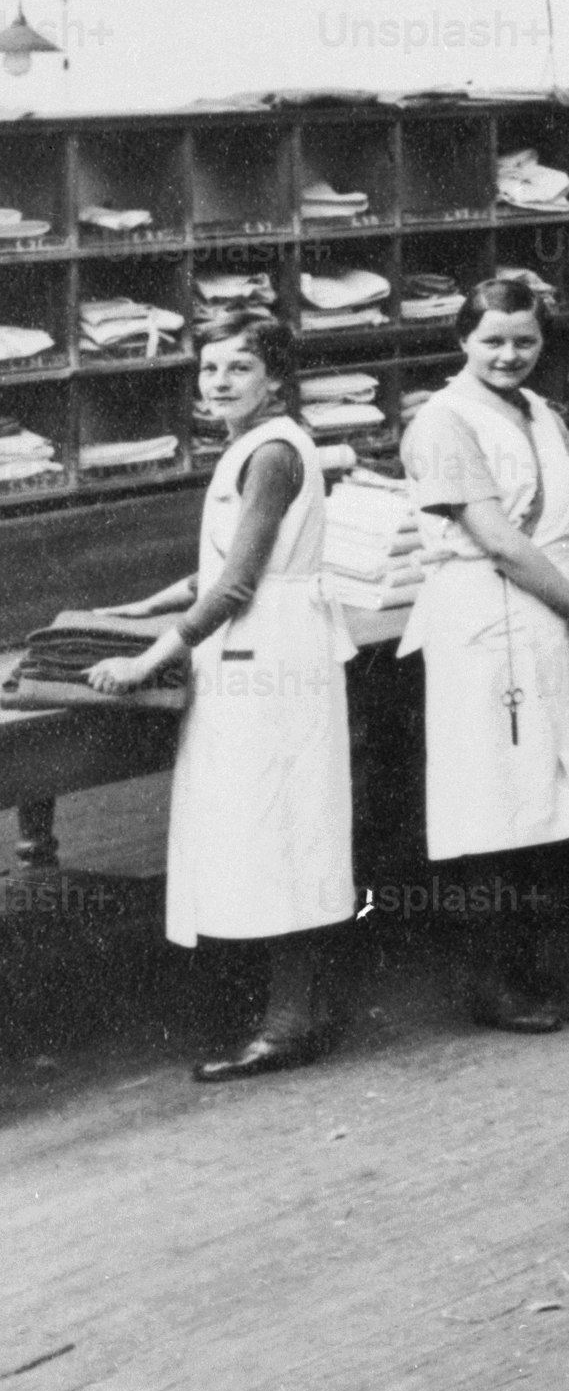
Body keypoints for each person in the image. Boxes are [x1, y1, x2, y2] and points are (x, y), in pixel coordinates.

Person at [90, 310, 353, 1081]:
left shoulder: (272, 451)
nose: (219, 382)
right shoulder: (258, 444)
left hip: (268, 659)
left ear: (275, 373)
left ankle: (291, 1022)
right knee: (267, 830)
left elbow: (239, 582)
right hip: (265, 650)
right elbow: (232, 558)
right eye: (208, 369)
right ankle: (292, 1010)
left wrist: (150, 658)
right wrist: (148, 604)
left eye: (238, 367)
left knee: (282, 834)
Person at [402, 271, 569, 1031]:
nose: (509, 354)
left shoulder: (538, 409)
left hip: (550, 616)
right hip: (492, 619)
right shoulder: (442, 421)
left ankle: (531, 972)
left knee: (547, 798)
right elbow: (500, 542)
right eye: (493, 340)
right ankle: (490, 984)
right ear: (461, 340)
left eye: (525, 340)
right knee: (493, 804)